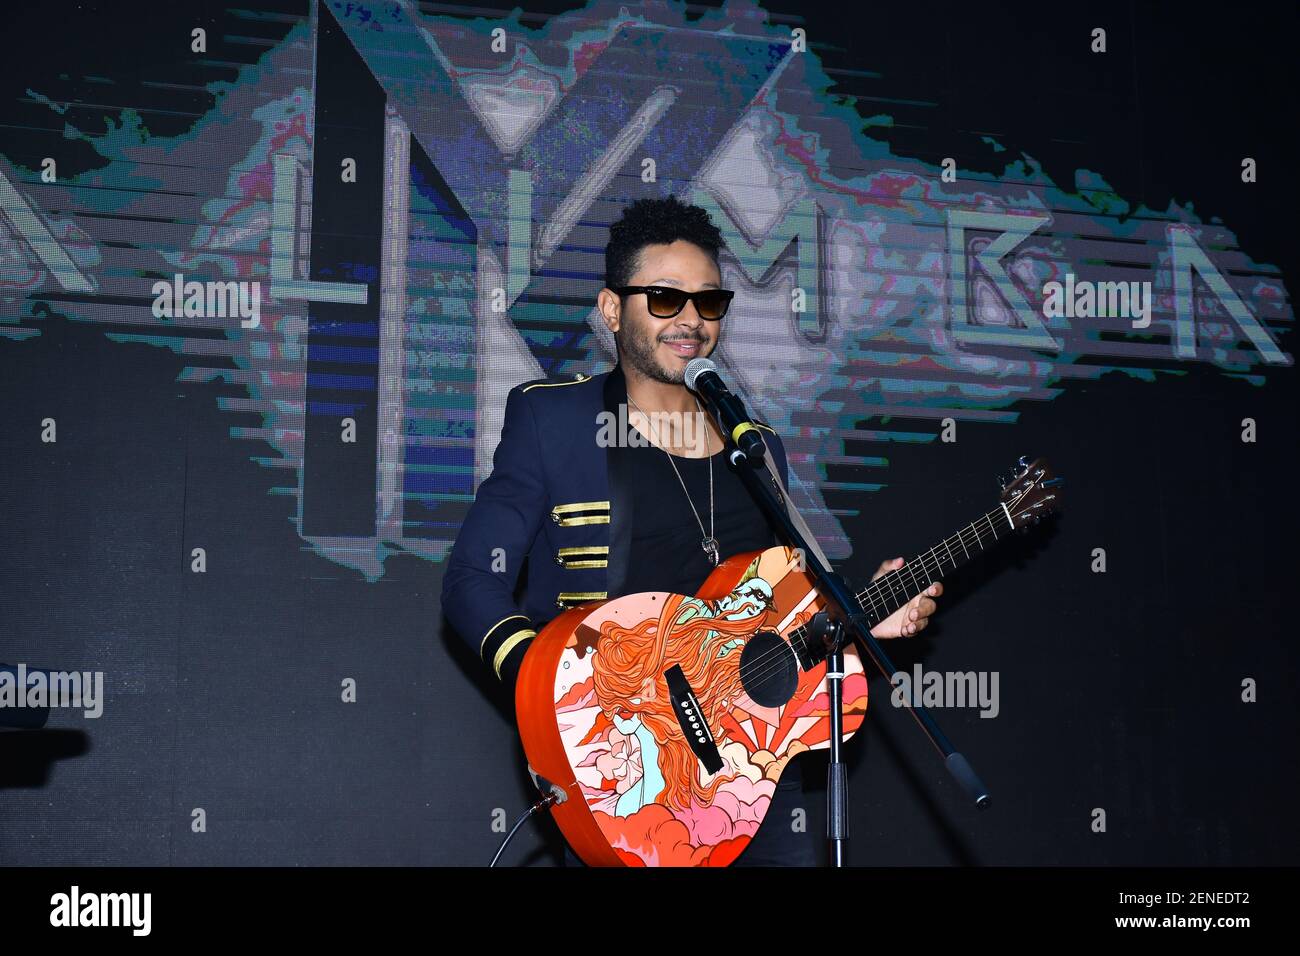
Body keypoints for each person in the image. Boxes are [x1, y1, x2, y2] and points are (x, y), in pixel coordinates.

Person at [440, 195, 941, 866]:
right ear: (613, 309)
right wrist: (551, 686)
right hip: (616, 766)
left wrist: (859, 615)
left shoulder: (756, 447)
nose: (691, 322)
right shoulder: (553, 421)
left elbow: (766, 611)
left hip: (746, 770)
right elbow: (473, 579)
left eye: (708, 302)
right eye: (665, 299)